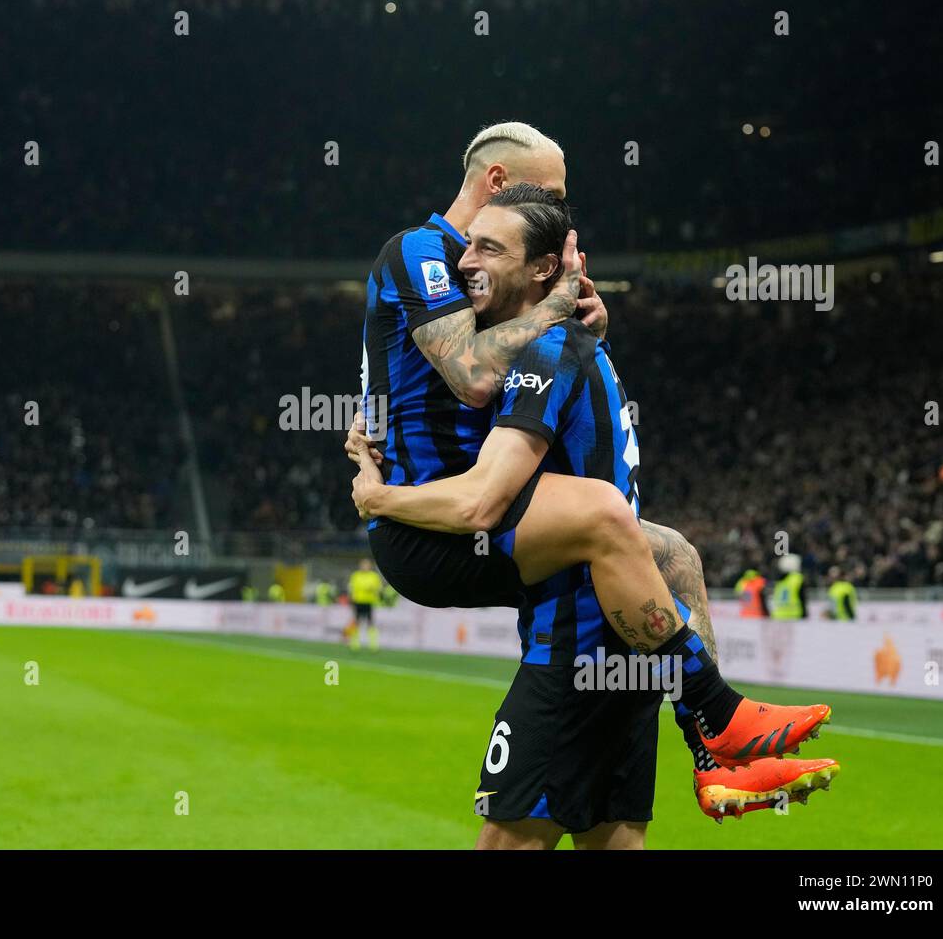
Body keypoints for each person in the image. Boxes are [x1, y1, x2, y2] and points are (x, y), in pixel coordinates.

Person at [351, 185, 836, 838]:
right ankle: (714, 738)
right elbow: (672, 553)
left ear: (544, 268)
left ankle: (720, 715)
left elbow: (482, 498)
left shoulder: (542, 354)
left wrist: (381, 496)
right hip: (634, 648)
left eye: (489, 248)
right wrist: (374, 419)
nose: (466, 259)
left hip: (571, 648)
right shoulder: (576, 346)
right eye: (468, 245)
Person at [348, 558, 383, 652]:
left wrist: (372, 589)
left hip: (369, 602)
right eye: (363, 565)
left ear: (370, 566)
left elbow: (379, 588)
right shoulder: (355, 575)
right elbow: (352, 588)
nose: (365, 567)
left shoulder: (374, 576)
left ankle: (373, 645)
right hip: (358, 602)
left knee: (370, 623)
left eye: (367, 565)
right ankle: (354, 644)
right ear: (360, 566)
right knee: (356, 622)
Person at [771, 554, 808, 620]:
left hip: (778, 616)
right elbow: (802, 597)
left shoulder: (779, 581)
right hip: (794, 616)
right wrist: (805, 614)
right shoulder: (797, 578)